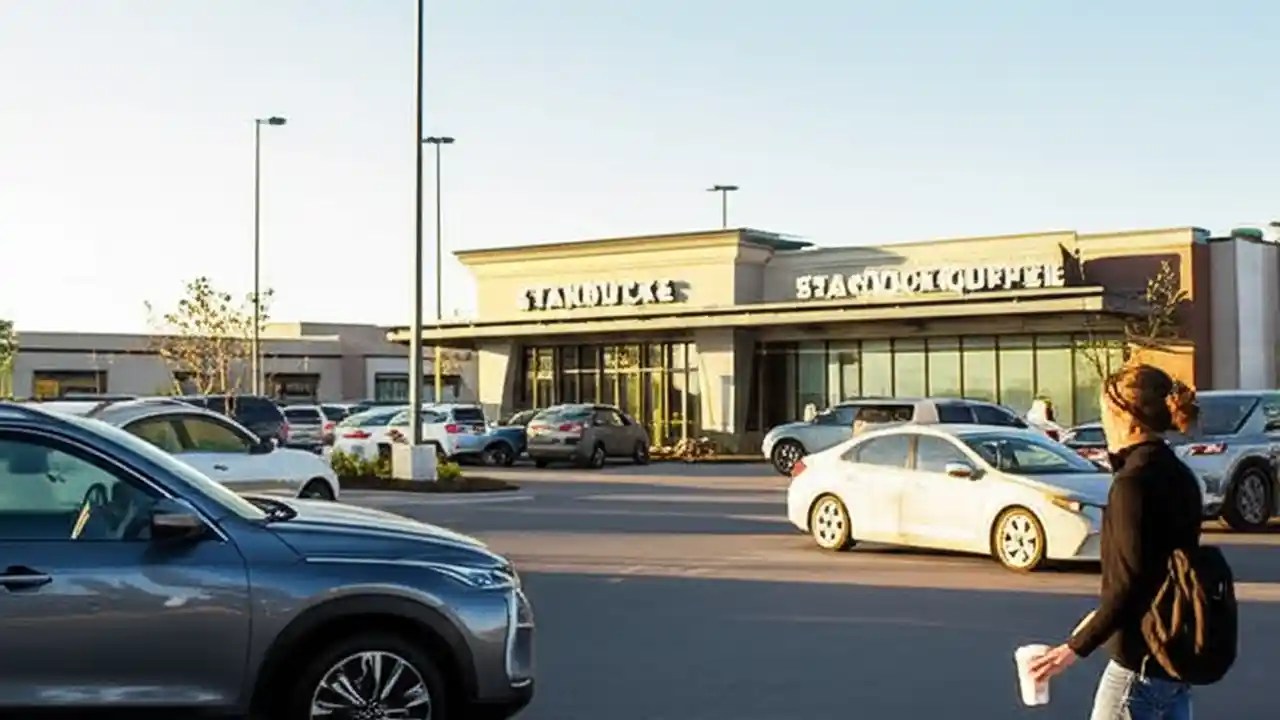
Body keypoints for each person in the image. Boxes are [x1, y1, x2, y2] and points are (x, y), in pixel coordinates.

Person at [1028, 364, 1203, 719]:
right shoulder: (1180, 475)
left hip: (1138, 665)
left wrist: (1072, 649)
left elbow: (1131, 585)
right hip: (1174, 656)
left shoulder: (1132, 485)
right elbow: (1161, 571)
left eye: (1105, 411)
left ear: (1125, 416)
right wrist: (1097, 619)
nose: (1103, 420)